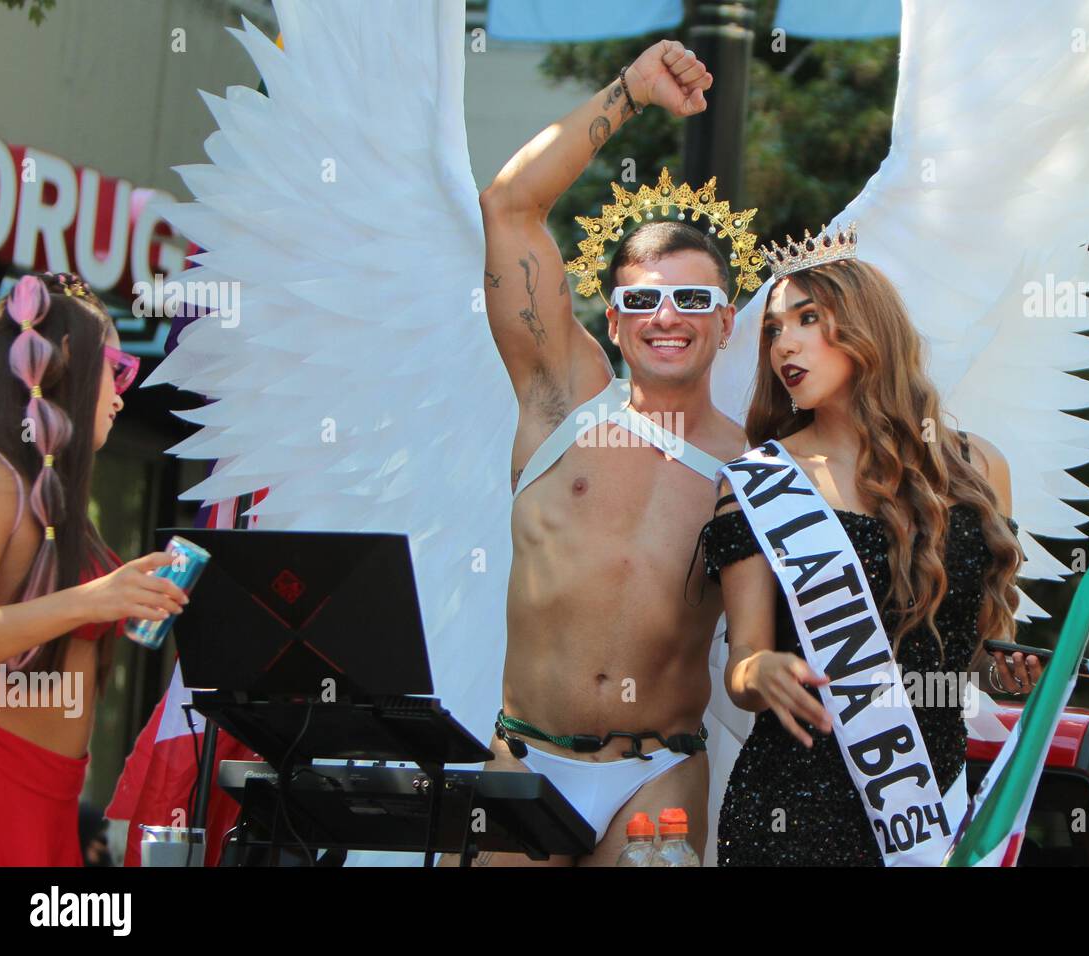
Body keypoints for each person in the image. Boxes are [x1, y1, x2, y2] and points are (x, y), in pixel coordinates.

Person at [443, 39, 749, 866]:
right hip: (522, 765)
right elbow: (508, 205)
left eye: (693, 298)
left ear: (726, 322)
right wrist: (631, 91)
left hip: (657, 781)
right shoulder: (562, 399)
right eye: (641, 300)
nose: (666, 317)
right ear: (611, 321)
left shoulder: (760, 472)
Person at [699, 231, 1043, 865]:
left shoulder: (978, 468)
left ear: (868, 327)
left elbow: (973, 657)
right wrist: (761, 672)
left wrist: (1008, 673)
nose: (784, 345)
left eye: (807, 320)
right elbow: (743, 661)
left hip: (928, 810)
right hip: (793, 814)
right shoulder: (758, 482)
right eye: (773, 329)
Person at [0, 272, 189, 866]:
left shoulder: (58, 500)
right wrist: (95, 599)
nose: (121, 393)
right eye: (114, 368)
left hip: (52, 798)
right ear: (67, 363)